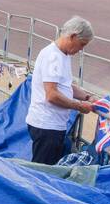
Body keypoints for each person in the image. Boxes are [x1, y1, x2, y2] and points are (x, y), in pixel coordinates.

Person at [26, 16, 96, 165]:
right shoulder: (53, 57)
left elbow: (66, 86)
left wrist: (87, 97)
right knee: (42, 170)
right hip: (46, 125)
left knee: (46, 168)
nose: (81, 49)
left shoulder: (62, 55)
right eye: (81, 44)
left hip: (52, 125)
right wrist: (78, 106)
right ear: (72, 36)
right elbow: (51, 95)